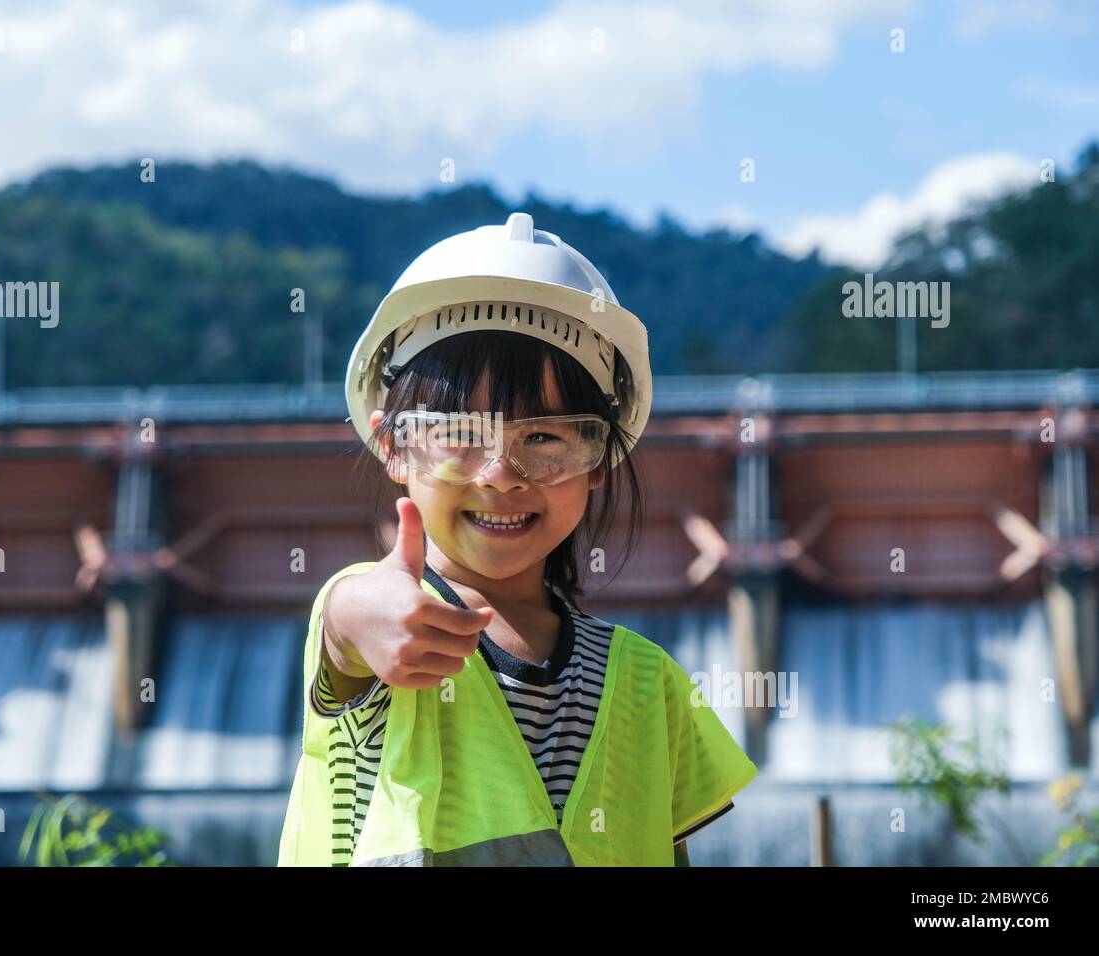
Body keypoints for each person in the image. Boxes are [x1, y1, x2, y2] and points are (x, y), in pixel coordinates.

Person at [278, 212, 757, 866]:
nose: (501, 477)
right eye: (461, 437)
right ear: (394, 445)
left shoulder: (651, 684)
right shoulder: (391, 620)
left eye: (545, 439)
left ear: (595, 459)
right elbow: (346, 624)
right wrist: (358, 616)